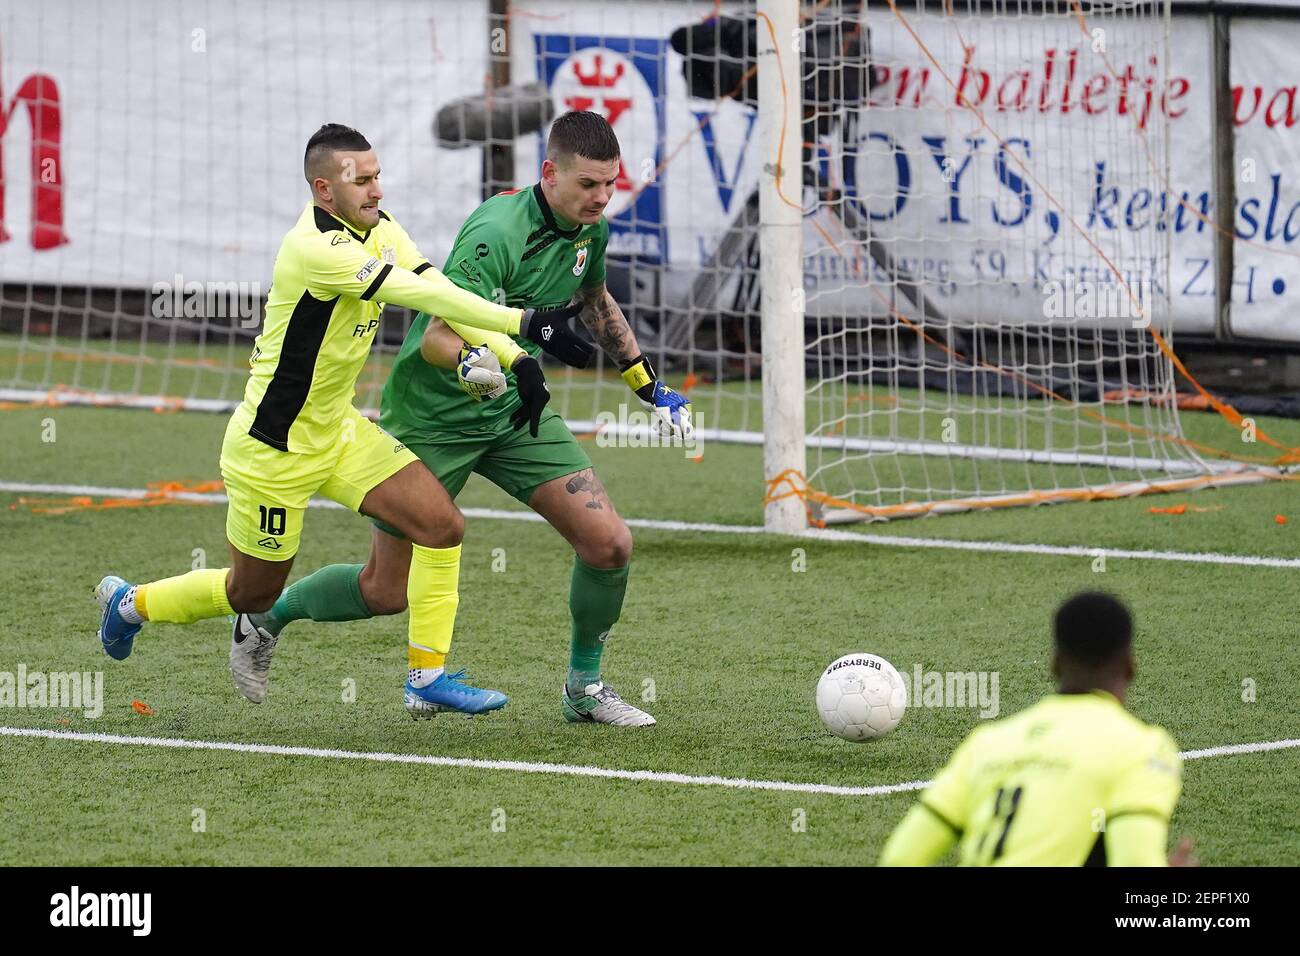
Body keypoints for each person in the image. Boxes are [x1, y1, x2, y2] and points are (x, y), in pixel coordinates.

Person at [95, 123, 591, 716]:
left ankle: (425, 676)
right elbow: (427, 300)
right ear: (324, 189)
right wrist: (526, 324)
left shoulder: (380, 228)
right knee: (250, 591)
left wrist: (515, 360)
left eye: (379, 175)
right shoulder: (317, 250)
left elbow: (440, 284)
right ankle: (131, 603)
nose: (377, 190)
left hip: (340, 431)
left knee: (442, 526)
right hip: (272, 451)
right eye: (363, 180)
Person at [239, 111, 692, 726]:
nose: (602, 197)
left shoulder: (591, 230)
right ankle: (270, 614)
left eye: (611, 184)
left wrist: (646, 383)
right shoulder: (495, 232)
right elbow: (435, 336)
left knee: (609, 544)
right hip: (432, 420)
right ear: (549, 174)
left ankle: (584, 690)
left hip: (513, 410)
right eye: (589, 185)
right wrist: (486, 356)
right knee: (382, 593)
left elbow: (593, 299)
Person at [879, 592, 1193, 866]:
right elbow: (1134, 862)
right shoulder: (1141, 747)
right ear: (1130, 665)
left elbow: (899, 858)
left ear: (1054, 663)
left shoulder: (987, 742)